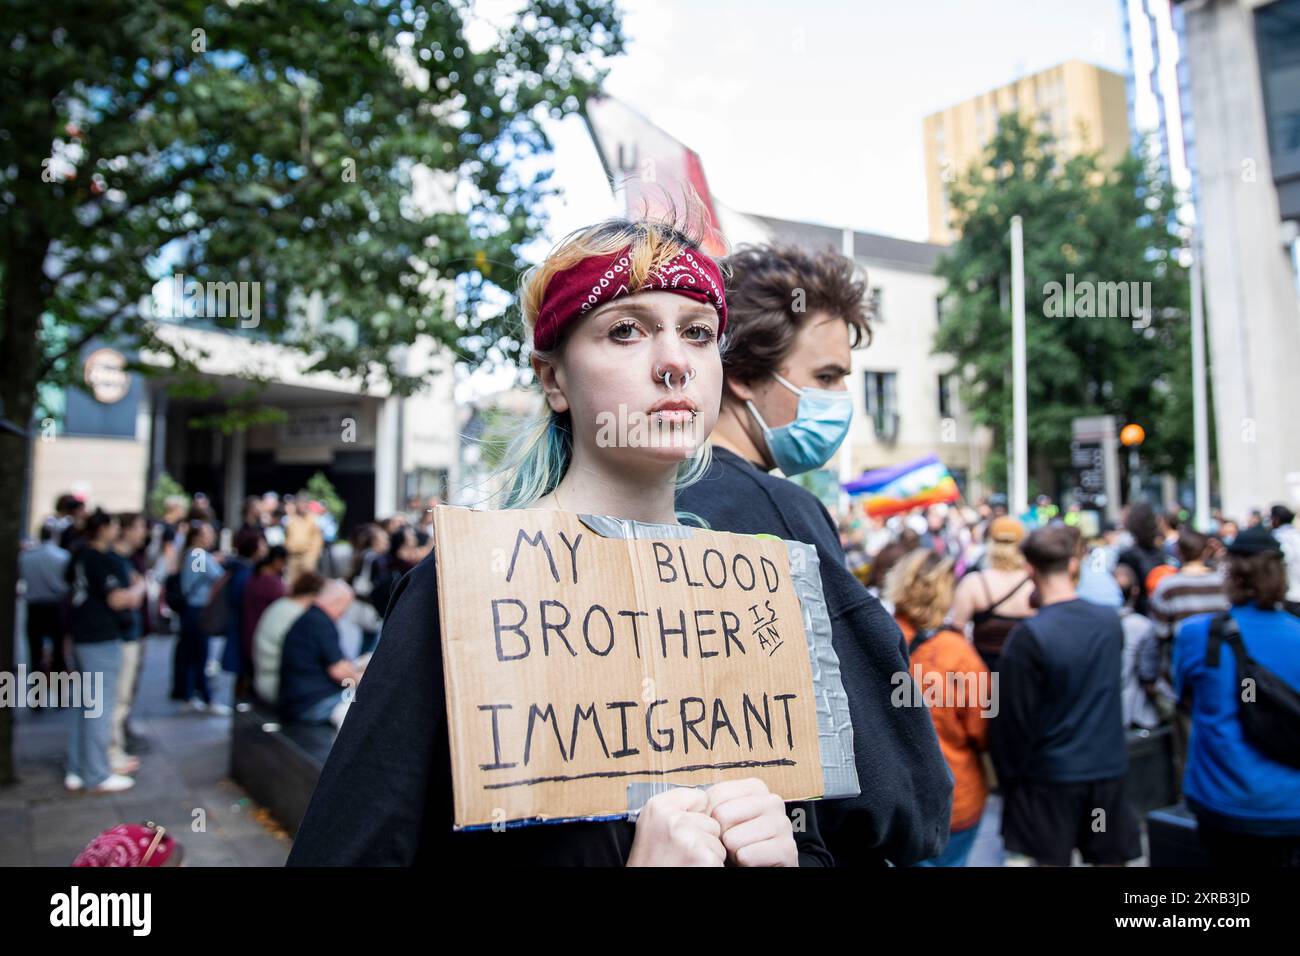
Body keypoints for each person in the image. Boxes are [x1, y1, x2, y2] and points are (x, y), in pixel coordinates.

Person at [289, 213, 828, 867]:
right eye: (626, 330)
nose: (673, 365)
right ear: (553, 380)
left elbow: (809, 830)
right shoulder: (470, 586)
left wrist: (790, 852)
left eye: (698, 333)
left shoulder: (746, 593)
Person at [674, 241, 951, 866]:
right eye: (825, 377)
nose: (840, 400)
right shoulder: (776, 512)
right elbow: (887, 772)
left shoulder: (655, 493)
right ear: (742, 375)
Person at [991, 526, 1141, 866]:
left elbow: (1013, 720)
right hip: (1103, 773)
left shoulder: (1029, 637)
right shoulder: (1108, 621)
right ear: (1073, 565)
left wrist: (1009, 779)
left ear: (1029, 568)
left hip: (1051, 780)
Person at [1173, 526, 1300, 866]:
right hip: (1292, 805)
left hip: (1223, 800)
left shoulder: (1198, 635)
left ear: (1229, 572)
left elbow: (1185, 700)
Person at [885, 550, 990, 867]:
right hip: (955, 798)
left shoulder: (878, 639)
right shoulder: (958, 653)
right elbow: (983, 728)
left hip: (896, 801)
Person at [65, 510, 144, 793]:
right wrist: (138, 589)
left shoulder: (79, 555)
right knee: (98, 707)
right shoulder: (101, 559)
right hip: (100, 637)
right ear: (104, 530)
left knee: (83, 707)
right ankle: (96, 773)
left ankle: (77, 768)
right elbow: (118, 599)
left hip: (80, 635)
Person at [950, 515, 1034, 672]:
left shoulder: (974, 583)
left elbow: (956, 632)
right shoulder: (1034, 584)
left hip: (984, 676)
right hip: (1027, 677)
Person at [278, 579, 361, 726]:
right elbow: (339, 672)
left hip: (297, 701)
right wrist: (365, 680)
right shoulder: (321, 623)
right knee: (371, 702)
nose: (343, 614)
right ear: (337, 601)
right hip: (311, 704)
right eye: (345, 608)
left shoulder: (310, 617)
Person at [107, 514, 149, 774]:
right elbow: (122, 599)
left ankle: (116, 747)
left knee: (121, 697)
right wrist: (140, 588)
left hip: (131, 634)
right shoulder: (114, 561)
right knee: (117, 698)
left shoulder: (129, 560)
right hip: (119, 637)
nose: (144, 533)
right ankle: (112, 752)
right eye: (140, 527)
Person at [175, 522, 226, 713]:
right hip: (197, 609)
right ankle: (201, 696)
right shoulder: (197, 555)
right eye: (208, 533)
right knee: (198, 654)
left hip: (194, 609)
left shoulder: (193, 554)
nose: (212, 536)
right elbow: (216, 576)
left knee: (193, 654)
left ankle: (191, 694)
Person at [253, 571, 322, 707]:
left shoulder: (281, 605)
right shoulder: (297, 614)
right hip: (279, 686)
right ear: (315, 595)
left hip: (264, 679)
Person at [1149, 529, 1228, 640]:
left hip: (1183, 649)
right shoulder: (1222, 582)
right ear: (1206, 550)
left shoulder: (1168, 585)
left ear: (1178, 551)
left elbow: (1160, 629)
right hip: (1216, 649)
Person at [20, 524, 71, 681]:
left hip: (35, 607)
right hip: (55, 607)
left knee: (35, 653)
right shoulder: (63, 556)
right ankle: (61, 694)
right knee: (58, 653)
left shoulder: (26, 557)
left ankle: (37, 696)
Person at [1117, 503, 1170, 617]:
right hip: (1162, 611)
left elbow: (1123, 586)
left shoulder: (1128, 556)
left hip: (1141, 612)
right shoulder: (1164, 554)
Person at [285, 498, 324, 584]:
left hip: (307, 557)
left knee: (306, 583)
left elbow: (317, 540)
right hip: (293, 556)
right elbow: (287, 536)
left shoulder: (313, 519)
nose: (301, 506)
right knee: (290, 582)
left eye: (303, 504)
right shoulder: (291, 519)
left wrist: (312, 556)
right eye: (299, 504)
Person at [1269, 505, 1300, 612]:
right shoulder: (1296, 535)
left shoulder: (1279, 537)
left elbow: (1285, 559)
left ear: (1276, 519)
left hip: (1291, 595)